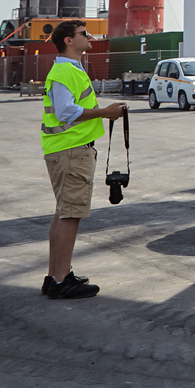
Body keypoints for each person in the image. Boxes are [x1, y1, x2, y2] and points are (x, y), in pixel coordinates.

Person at [39, 20, 128, 299]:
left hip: (66, 149)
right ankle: (62, 281)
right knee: (71, 215)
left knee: (62, 213)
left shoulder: (69, 69)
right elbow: (67, 112)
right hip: (71, 150)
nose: (89, 37)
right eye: (83, 34)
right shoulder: (65, 70)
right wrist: (105, 113)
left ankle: (56, 276)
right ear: (68, 40)